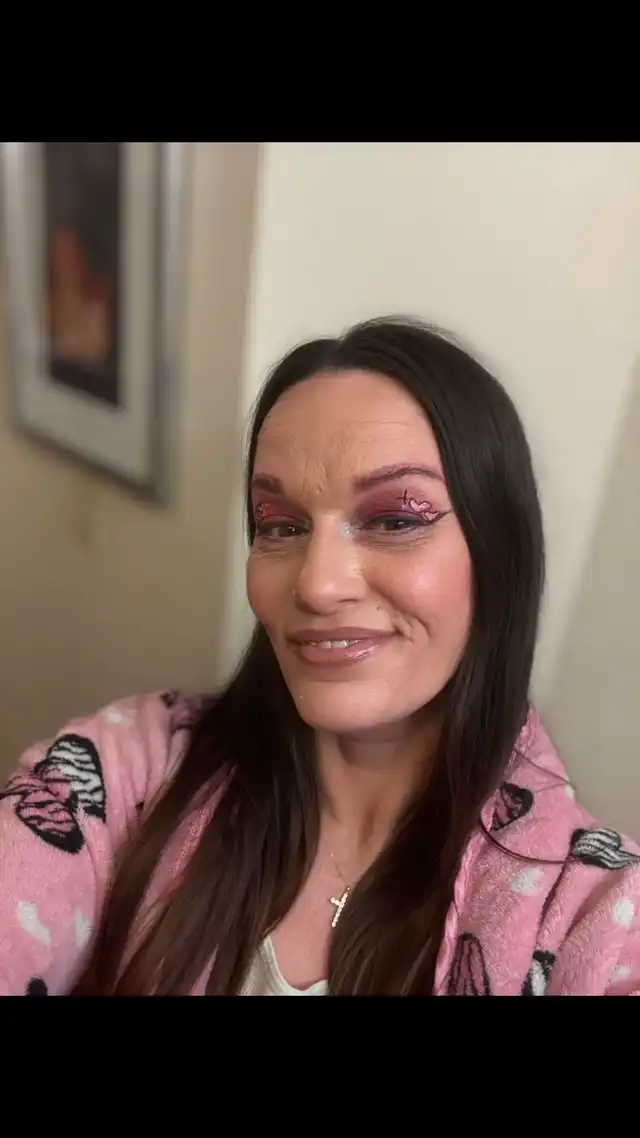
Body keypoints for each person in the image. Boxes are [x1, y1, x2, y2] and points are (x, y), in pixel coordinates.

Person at [1, 316, 639, 997]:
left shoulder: (597, 919)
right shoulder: (125, 770)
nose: (317, 584)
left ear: (497, 553)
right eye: (280, 527)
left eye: (395, 519)